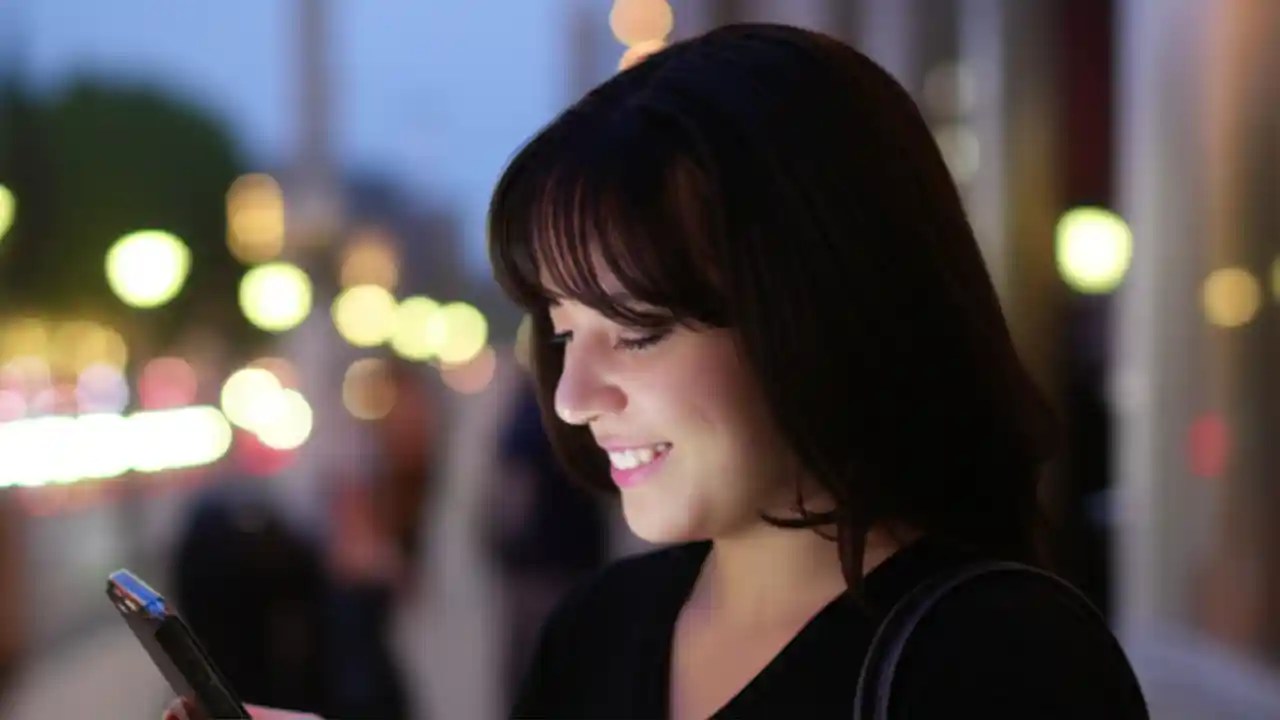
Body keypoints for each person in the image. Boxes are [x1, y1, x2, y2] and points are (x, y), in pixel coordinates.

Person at [168, 22, 1149, 720]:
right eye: (560, 327)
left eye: (636, 331)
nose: (571, 396)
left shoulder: (997, 665)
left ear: (819, 307)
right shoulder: (601, 629)